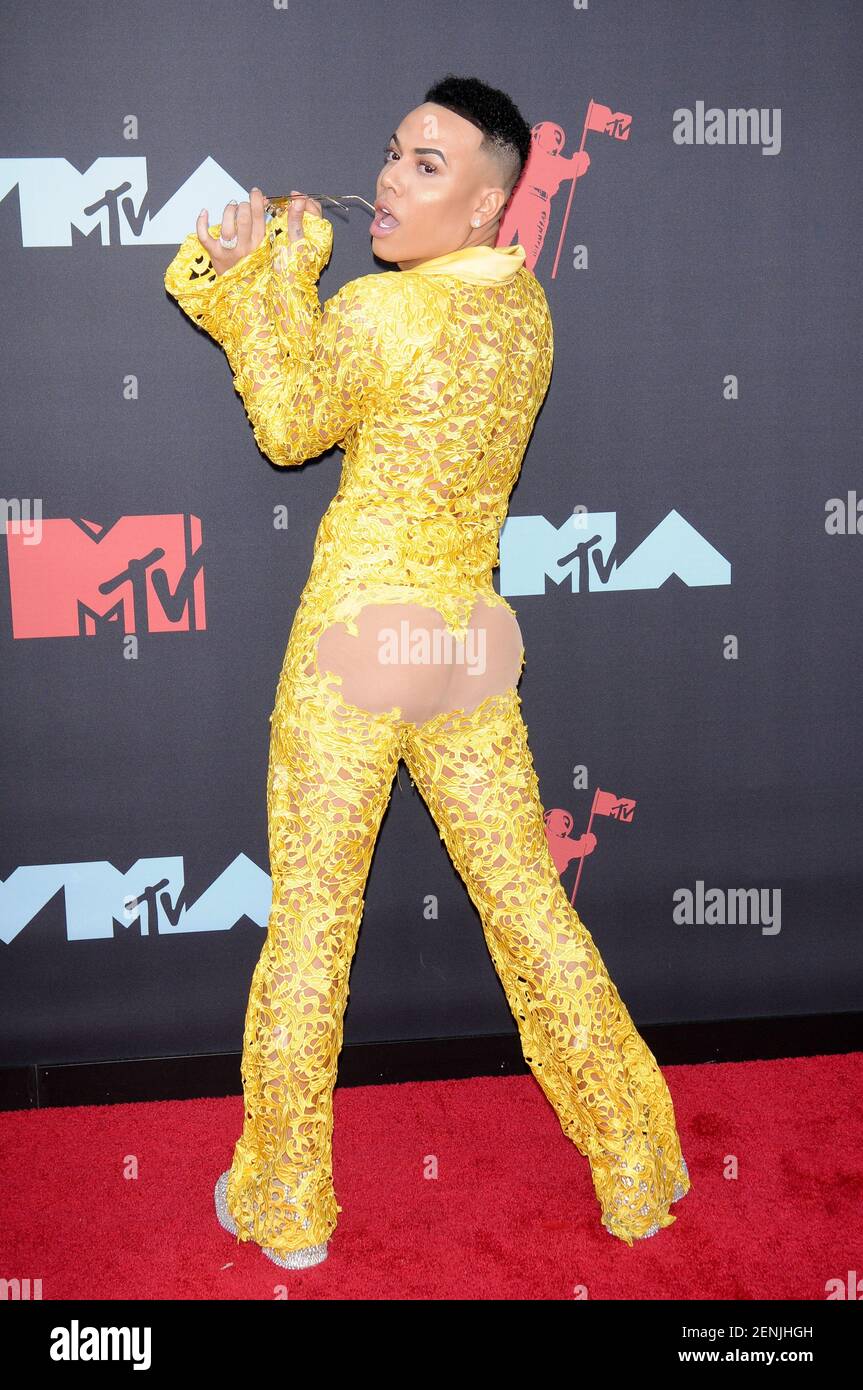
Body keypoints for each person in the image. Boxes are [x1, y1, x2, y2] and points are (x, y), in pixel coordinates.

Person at [164, 74, 689, 1271]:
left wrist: (265, 276)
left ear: (490, 203)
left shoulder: (379, 312)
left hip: (356, 643)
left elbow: (290, 423)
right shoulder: (531, 315)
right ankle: (636, 1164)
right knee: (525, 902)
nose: (393, 182)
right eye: (394, 154)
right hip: (463, 645)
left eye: (427, 167)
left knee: (309, 921)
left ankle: (288, 1209)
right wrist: (294, 279)